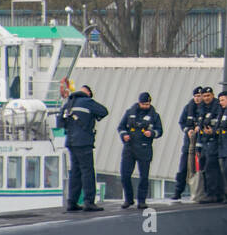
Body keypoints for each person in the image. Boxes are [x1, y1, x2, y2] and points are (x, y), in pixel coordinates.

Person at [57, 84, 109, 212]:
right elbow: (104, 111)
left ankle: (72, 202)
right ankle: (89, 202)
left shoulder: (68, 104)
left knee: (75, 172)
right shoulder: (88, 101)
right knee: (87, 172)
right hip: (83, 142)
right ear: (88, 93)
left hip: (71, 142)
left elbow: (60, 123)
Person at [118, 92, 164, 210]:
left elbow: (160, 131)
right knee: (124, 175)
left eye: (148, 104)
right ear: (139, 103)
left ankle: (141, 200)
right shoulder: (130, 113)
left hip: (144, 147)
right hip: (129, 147)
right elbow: (121, 127)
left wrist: (152, 133)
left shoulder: (154, 115)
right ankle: (129, 199)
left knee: (144, 176)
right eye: (144, 104)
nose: (146, 106)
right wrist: (124, 135)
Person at [171, 86, 204, 200]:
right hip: (189, 143)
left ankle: (202, 192)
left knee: (202, 169)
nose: (197, 98)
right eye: (195, 96)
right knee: (183, 168)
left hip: (203, 143)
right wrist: (188, 130)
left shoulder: (207, 109)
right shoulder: (188, 108)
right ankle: (177, 192)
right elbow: (182, 122)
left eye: (199, 96)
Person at [194, 86, 223, 203]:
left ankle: (213, 194)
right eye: (204, 96)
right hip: (204, 143)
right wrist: (198, 147)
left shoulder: (217, 107)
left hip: (214, 142)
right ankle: (208, 193)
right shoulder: (201, 108)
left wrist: (213, 131)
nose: (206, 98)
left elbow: (220, 125)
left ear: (212, 95)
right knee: (204, 168)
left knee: (211, 168)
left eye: (208, 96)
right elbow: (200, 128)